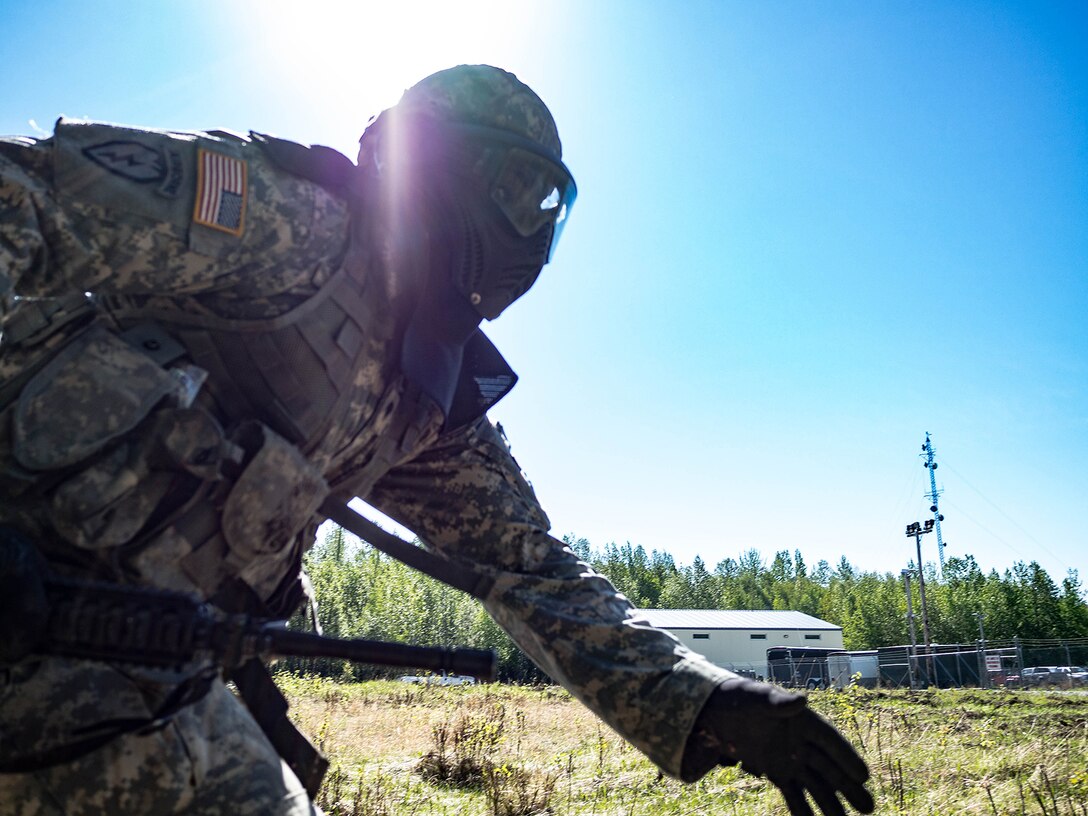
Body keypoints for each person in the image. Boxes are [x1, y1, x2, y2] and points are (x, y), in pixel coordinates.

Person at [0, 65, 875, 816]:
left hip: (144, 678)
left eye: (550, 212)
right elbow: (22, 198)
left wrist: (712, 698)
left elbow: (537, 574)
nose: (533, 238)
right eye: (521, 194)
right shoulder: (289, 225)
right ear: (446, 163)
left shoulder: (426, 393)